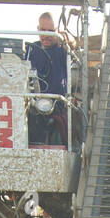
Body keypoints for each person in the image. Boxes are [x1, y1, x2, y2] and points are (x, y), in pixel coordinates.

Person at [28, 12, 68, 144]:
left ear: (56, 31)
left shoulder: (62, 50)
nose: (47, 35)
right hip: (31, 105)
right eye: (43, 30)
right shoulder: (31, 50)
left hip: (55, 106)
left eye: (51, 31)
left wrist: (67, 39)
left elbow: (72, 45)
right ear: (38, 29)